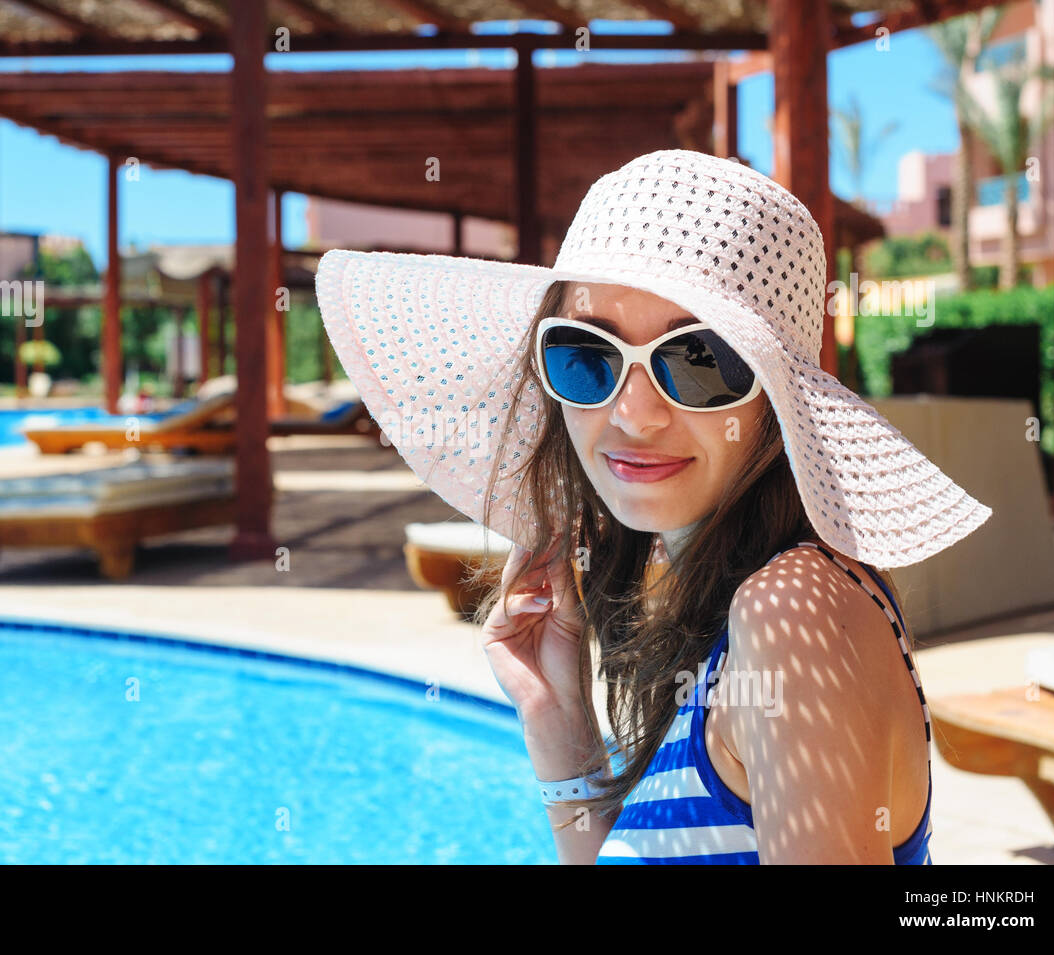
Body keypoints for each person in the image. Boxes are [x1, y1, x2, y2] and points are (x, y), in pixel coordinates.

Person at [313, 149, 992, 864]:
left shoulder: (789, 613)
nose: (633, 415)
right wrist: (559, 721)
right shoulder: (736, 611)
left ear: (776, 400)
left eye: (699, 360)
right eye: (587, 354)